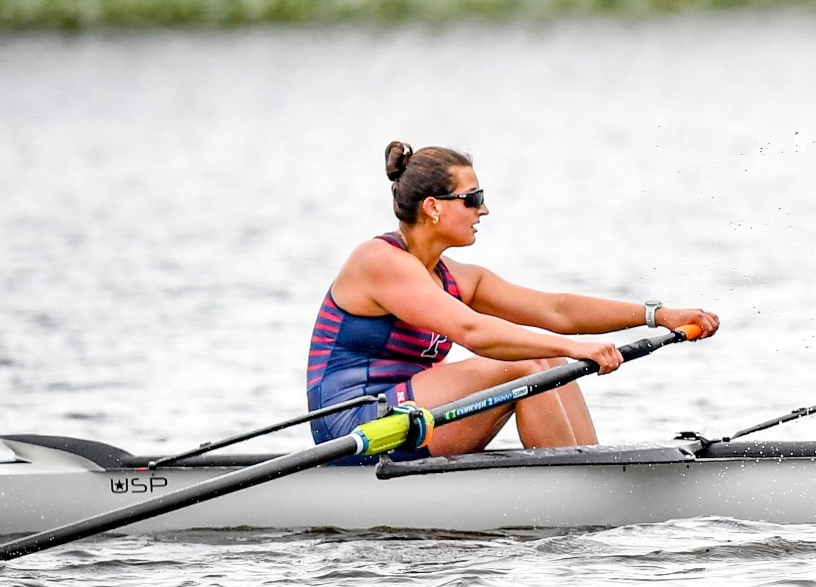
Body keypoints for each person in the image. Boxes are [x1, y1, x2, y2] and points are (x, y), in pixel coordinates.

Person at [307, 142, 719, 461]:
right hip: (351, 428)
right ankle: (575, 494)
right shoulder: (378, 262)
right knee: (527, 367)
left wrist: (658, 314)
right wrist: (573, 346)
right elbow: (473, 332)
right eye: (472, 198)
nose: (483, 209)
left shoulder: (458, 277)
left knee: (554, 367)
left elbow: (556, 310)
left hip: (410, 419)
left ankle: (591, 470)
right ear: (432, 207)